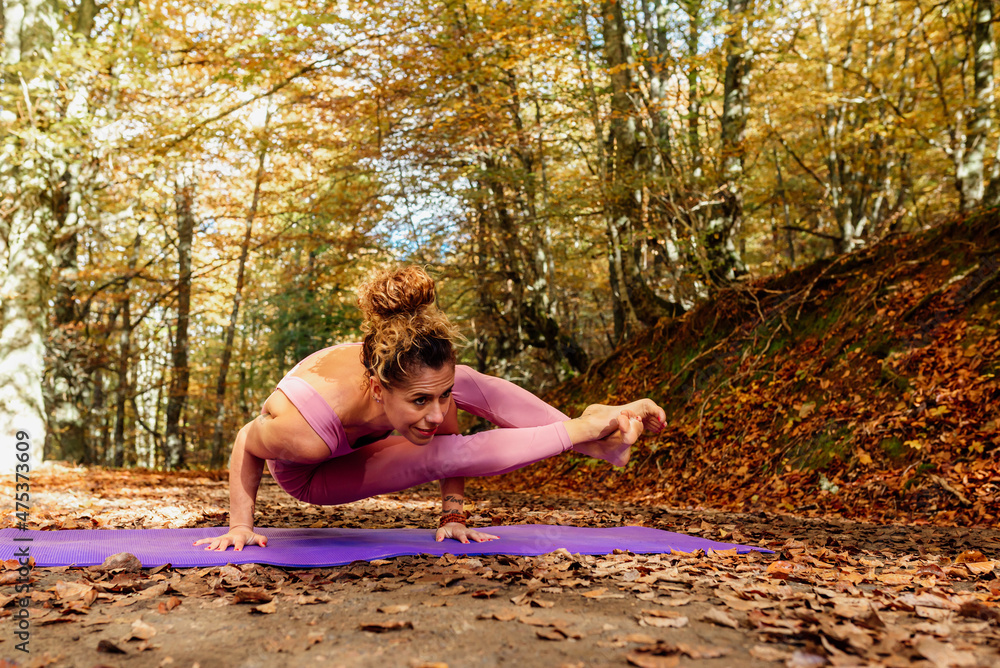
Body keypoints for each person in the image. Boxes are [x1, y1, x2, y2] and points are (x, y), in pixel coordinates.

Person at [195, 266, 666, 552]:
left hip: (376, 426)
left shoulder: (413, 363)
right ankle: (585, 430)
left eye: (440, 397)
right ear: (378, 390)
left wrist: (452, 514)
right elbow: (246, 441)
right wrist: (240, 526)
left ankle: (594, 442)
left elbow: (451, 437)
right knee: (435, 447)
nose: (437, 413)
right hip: (313, 473)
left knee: (465, 385)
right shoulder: (304, 434)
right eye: (421, 401)